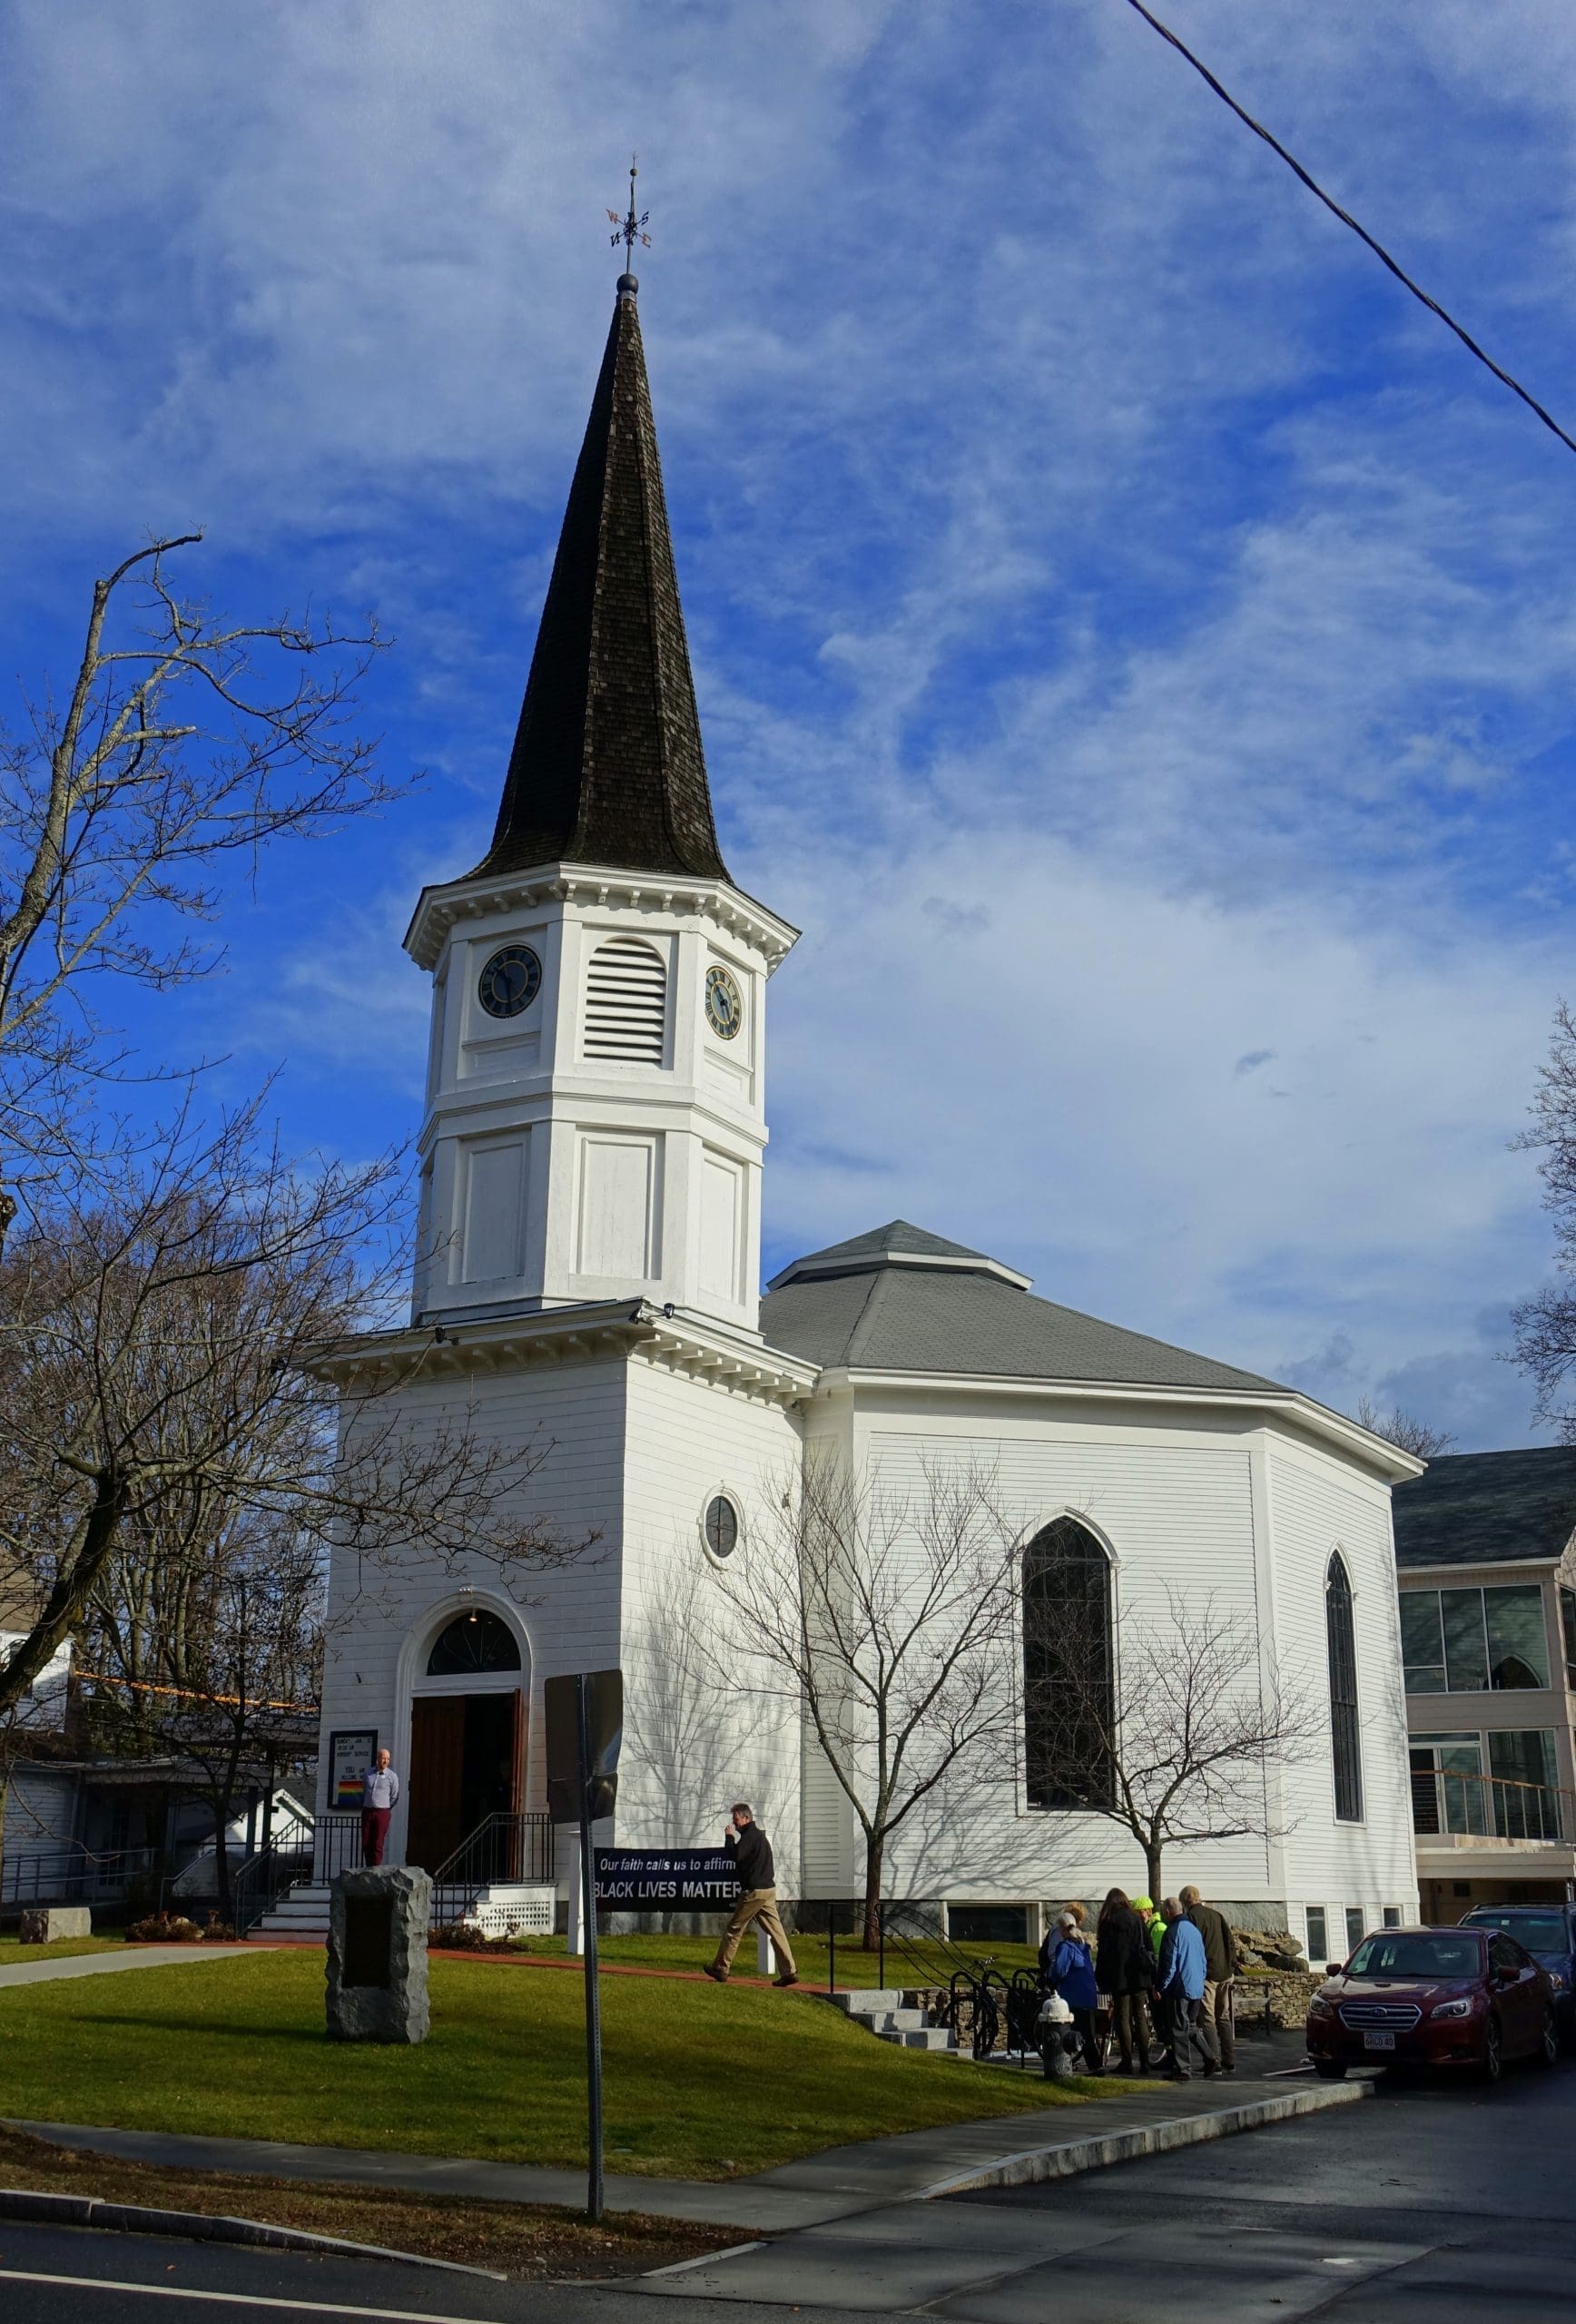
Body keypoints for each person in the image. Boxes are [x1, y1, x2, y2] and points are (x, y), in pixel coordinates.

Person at [704, 1804, 799, 1987]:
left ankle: (721, 1968)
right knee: (777, 1931)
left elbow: (735, 1856)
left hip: (754, 1891)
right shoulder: (759, 1837)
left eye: (736, 1820)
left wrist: (729, 1837)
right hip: (768, 1890)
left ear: (746, 1818)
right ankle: (789, 1971)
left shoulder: (750, 1835)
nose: (734, 1823)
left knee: (734, 1928)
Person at [1157, 1896, 1220, 2080]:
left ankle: (1183, 2069)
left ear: (1167, 1912)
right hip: (1196, 1986)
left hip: (1180, 1987)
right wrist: (1200, 1981)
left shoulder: (1172, 1931)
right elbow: (1202, 1959)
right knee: (1190, 2026)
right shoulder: (1194, 1930)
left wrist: (1160, 1986)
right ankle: (1210, 2057)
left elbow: (1169, 1964)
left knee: (1178, 2028)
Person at [1181, 1883, 1241, 2075]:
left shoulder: (1191, 1918)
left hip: (1208, 1973)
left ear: (1184, 1902)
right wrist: (1232, 1966)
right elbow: (1230, 1941)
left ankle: (1213, 2061)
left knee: (1207, 2018)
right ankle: (1229, 2061)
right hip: (1225, 1972)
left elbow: (1192, 1946)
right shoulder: (1217, 1915)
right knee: (1223, 2016)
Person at [1095, 1887, 1154, 2073]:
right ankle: (1145, 2062)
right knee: (1140, 2016)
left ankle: (1127, 2061)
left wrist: (1101, 1978)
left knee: (1123, 2018)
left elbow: (1104, 1954)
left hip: (1119, 1976)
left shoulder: (1109, 1922)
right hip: (1139, 1975)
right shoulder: (1137, 1919)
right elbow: (1149, 1946)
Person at [1039, 1909, 1101, 2070]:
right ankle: (1090, 2064)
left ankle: (1089, 2065)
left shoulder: (1066, 1947)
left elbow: (1059, 1970)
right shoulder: (1083, 1946)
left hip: (1073, 1995)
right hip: (1088, 1994)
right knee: (1085, 2032)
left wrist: (1049, 1980)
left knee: (1068, 2031)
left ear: (1062, 1929)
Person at [360, 1748, 399, 1868]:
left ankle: (376, 1869)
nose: (385, 1761)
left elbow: (394, 1796)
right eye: (383, 1758)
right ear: (377, 1759)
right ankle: (368, 1868)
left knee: (377, 1843)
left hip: (382, 1812)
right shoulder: (368, 1773)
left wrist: (385, 1807)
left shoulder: (392, 1776)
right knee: (366, 1842)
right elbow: (364, 1790)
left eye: (388, 1759)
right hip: (367, 1811)